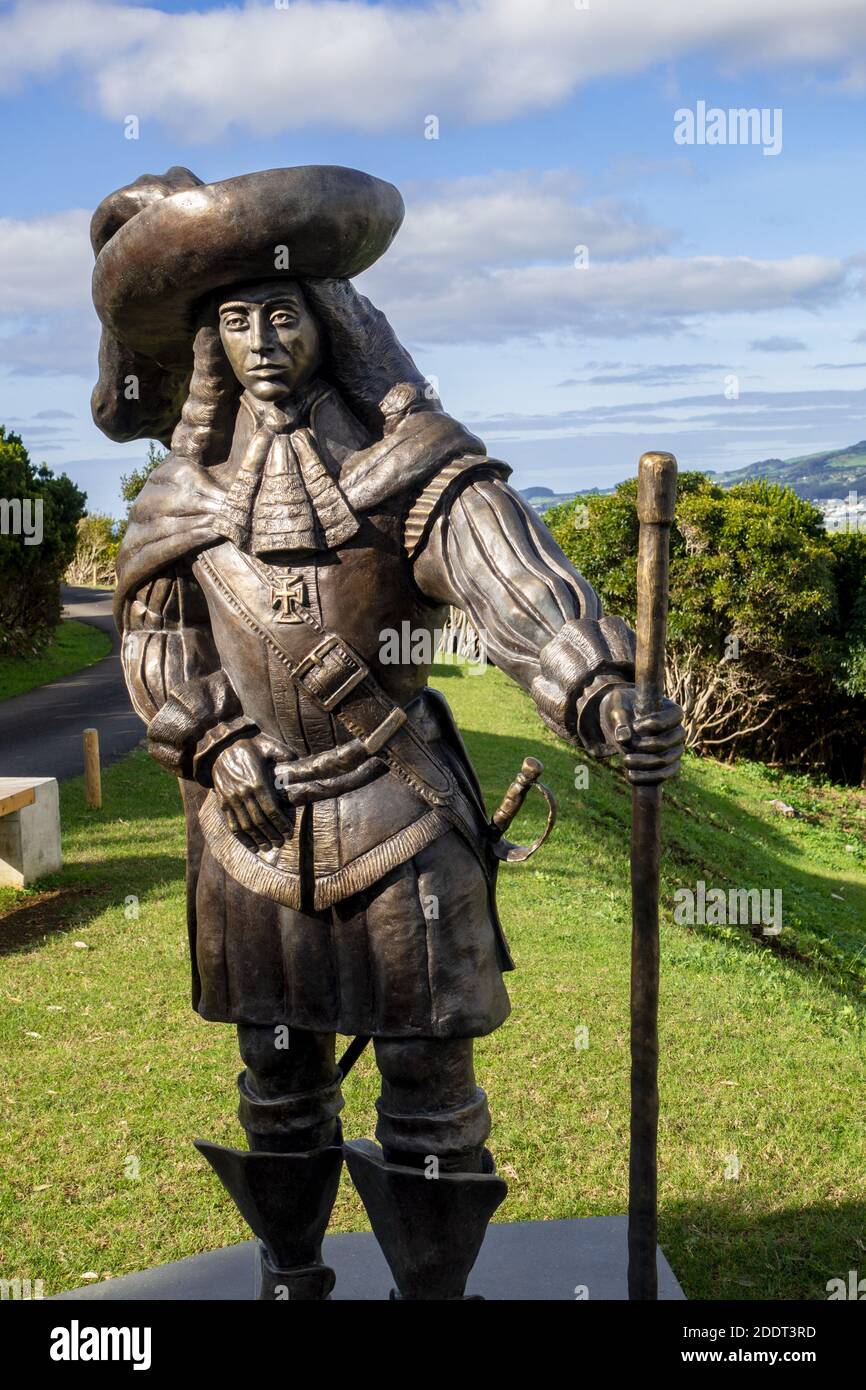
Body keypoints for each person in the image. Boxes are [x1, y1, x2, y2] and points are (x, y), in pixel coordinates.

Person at [92, 164, 685, 1300]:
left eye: (283, 310)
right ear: (211, 344)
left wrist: (603, 697)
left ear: (329, 321)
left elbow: (512, 583)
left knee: (427, 1083)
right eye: (235, 319)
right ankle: (288, 1274)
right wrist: (215, 747)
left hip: (396, 813)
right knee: (274, 1074)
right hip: (246, 828)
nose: (262, 336)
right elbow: (157, 640)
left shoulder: (409, 468)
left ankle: (432, 1297)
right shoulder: (179, 496)